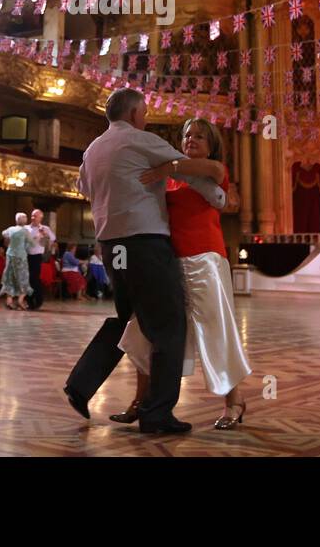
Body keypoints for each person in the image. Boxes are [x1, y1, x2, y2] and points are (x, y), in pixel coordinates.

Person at [64, 87, 227, 435]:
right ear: (135, 114)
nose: (147, 117)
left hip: (110, 245)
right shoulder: (141, 140)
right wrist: (219, 195)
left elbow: (83, 187)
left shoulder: (93, 149)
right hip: (144, 244)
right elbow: (187, 171)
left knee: (127, 318)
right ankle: (157, 414)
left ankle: (80, 385)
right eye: (145, 112)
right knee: (168, 326)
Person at [115, 117, 251, 430]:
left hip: (205, 257)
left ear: (212, 145)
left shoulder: (213, 171)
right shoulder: (171, 178)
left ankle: (234, 401)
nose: (191, 139)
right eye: (188, 135)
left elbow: (213, 171)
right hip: (168, 262)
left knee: (214, 329)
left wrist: (169, 167)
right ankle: (141, 401)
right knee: (146, 328)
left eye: (200, 136)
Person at [0, 213, 32, 310]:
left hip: (10, 256)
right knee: (23, 279)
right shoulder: (25, 231)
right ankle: (20, 300)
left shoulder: (10, 229)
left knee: (10, 278)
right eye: (25, 218)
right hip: (21, 258)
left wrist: (9, 239)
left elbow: (3, 233)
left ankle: (9, 301)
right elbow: (31, 244)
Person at [25, 209, 56, 310]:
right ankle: (30, 302)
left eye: (35, 216)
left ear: (40, 218)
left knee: (34, 279)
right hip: (26, 256)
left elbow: (53, 238)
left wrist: (46, 234)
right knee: (28, 280)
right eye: (32, 215)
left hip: (37, 256)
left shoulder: (45, 228)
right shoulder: (26, 228)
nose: (33, 218)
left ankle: (37, 301)